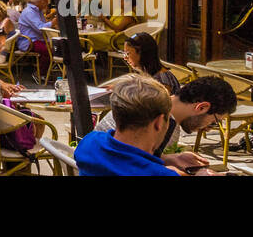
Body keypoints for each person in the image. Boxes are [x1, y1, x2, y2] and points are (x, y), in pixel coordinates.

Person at [95, 75, 236, 173]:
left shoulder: (149, 103)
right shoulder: (164, 122)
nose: (207, 129)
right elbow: (133, 167)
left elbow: (129, 157)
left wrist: (169, 159)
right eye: (214, 121)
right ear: (201, 107)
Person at [75, 74, 182, 176]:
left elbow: (122, 160)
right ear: (159, 122)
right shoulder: (159, 173)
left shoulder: (89, 143)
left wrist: (164, 159)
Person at [15, 0, 54, 75]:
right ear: (42, 1)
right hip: (29, 42)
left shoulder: (38, 11)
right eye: (46, 1)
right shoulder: (29, 12)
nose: (47, 4)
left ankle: (48, 73)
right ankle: (40, 74)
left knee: (58, 47)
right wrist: (53, 23)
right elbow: (40, 28)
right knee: (48, 51)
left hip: (38, 39)